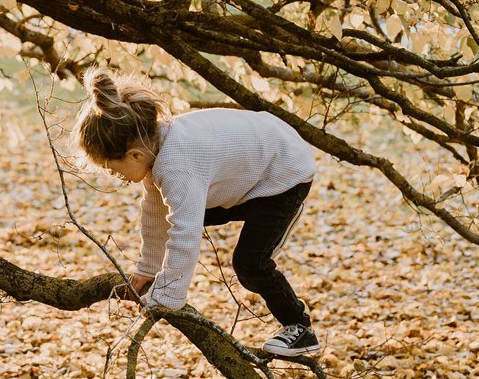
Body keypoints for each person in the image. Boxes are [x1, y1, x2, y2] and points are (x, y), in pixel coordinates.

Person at [76, 68, 322, 358]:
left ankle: (300, 327)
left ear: (135, 155)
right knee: (179, 211)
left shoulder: (176, 166)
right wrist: (149, 269)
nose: (116, 177)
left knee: (250, 264)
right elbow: (155, 215)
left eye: (113, 169)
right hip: (250, 169)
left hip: (284, 176)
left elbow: (186, 232)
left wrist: (169, 294)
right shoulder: (156, 145)